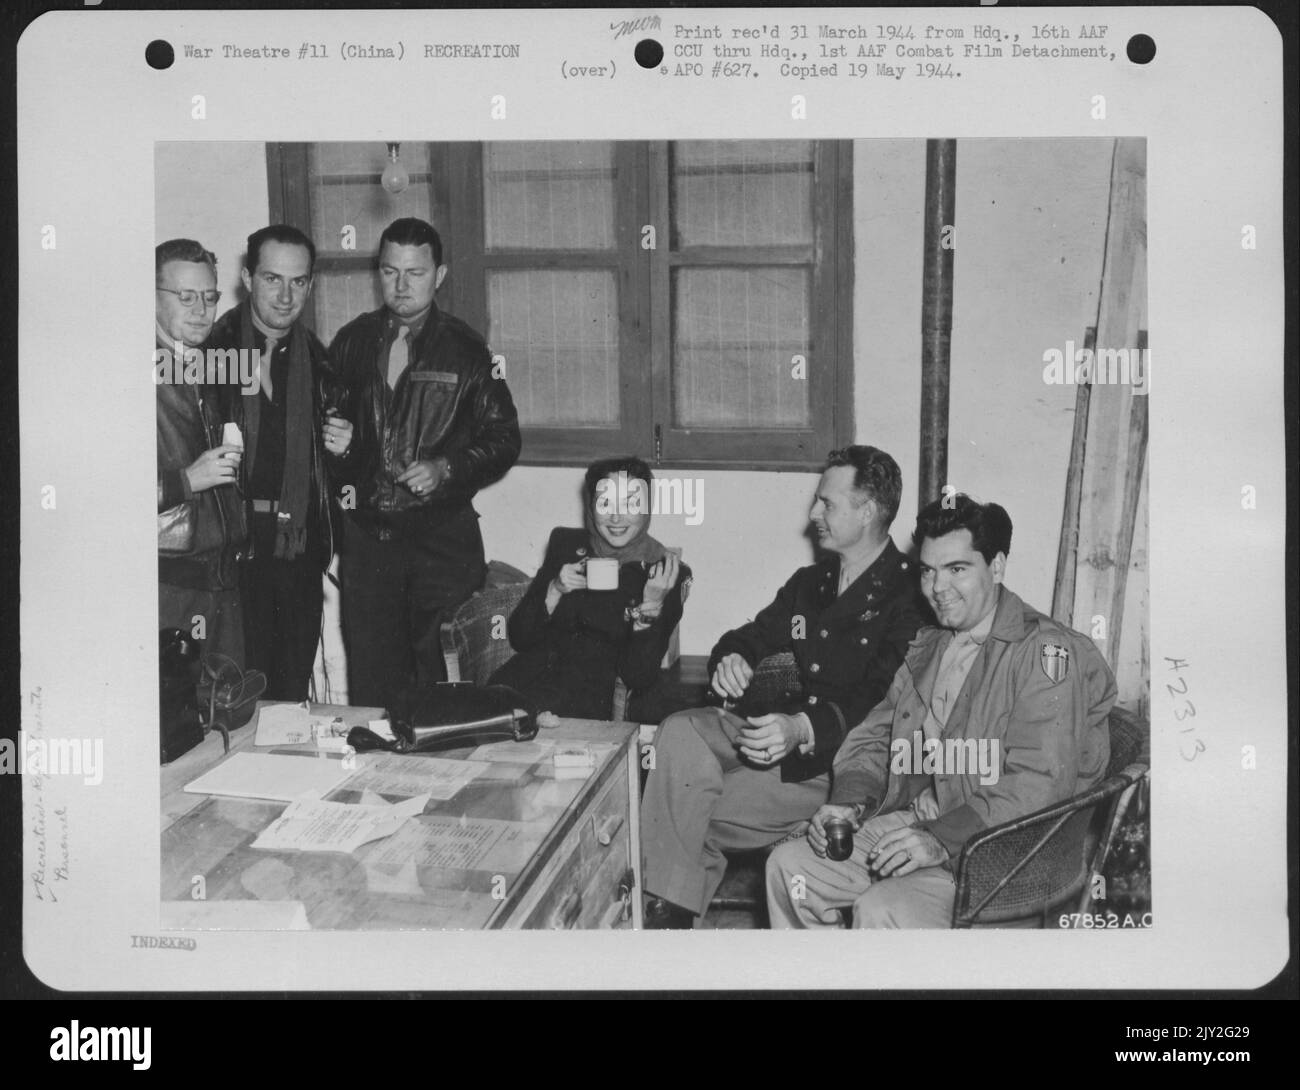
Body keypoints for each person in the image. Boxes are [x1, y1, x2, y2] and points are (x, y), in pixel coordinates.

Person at [766, 494, 1116, 929]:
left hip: (1000, 852)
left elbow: (1038, 781)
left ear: (998, 567)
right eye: (928, 571)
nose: (937, 588)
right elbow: (875, 738)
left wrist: (939, 837)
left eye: (957, 569)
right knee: (790, 867)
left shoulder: (1047, 653)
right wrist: (848, 804)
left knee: (881, 908)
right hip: (923, 821)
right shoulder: (930, 643)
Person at [640, 446, 928, 928]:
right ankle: (666, 921)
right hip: (769, 732)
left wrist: (802, 726)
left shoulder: (910, 596)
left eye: (827, 503)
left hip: (833, 763)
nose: (813, 514)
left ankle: (664, 924)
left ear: (869, 510)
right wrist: (732, 656)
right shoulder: (811, 583)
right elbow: (754, 632)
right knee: (680, 730)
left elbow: (882, 700)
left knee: (684, 815)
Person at [327, 217, 522, 710]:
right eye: (390, 271)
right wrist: (341, 445)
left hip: (442, 540)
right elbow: (327, 429)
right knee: (373, 679)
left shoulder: (466, 348)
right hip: (369, 541)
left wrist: (447, 469)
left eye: (415, 273)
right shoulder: (351, 342)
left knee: (443, 681)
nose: (401, 285)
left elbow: (504, 438)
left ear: (439, 275)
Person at [205, 225, 353, 701]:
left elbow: (343, 472)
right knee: (235, 688)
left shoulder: (319, 360)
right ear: (247, 278)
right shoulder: (211, 351)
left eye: (299, 281)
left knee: (290, 689)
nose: (286, 295)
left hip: (298, 544)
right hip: (234, 544)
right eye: (272, 279)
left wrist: (345, 449)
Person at [489, 457, 690, 721]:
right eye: (605, 502)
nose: (616, 517)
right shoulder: (565, 544)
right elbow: (520, 637)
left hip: (590, 701)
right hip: (525, 678)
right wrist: (554, 590)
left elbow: (638, 677)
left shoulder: (665, 572)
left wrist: (648, 612)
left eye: (631, 503)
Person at [155, 239, 247, 665]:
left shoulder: (214, 367)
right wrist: (187, 480)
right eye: (185, 297)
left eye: (209, 297)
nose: (201, 310)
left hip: (223, 581)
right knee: (176, 722)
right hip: (166, 588)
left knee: (228, 714)